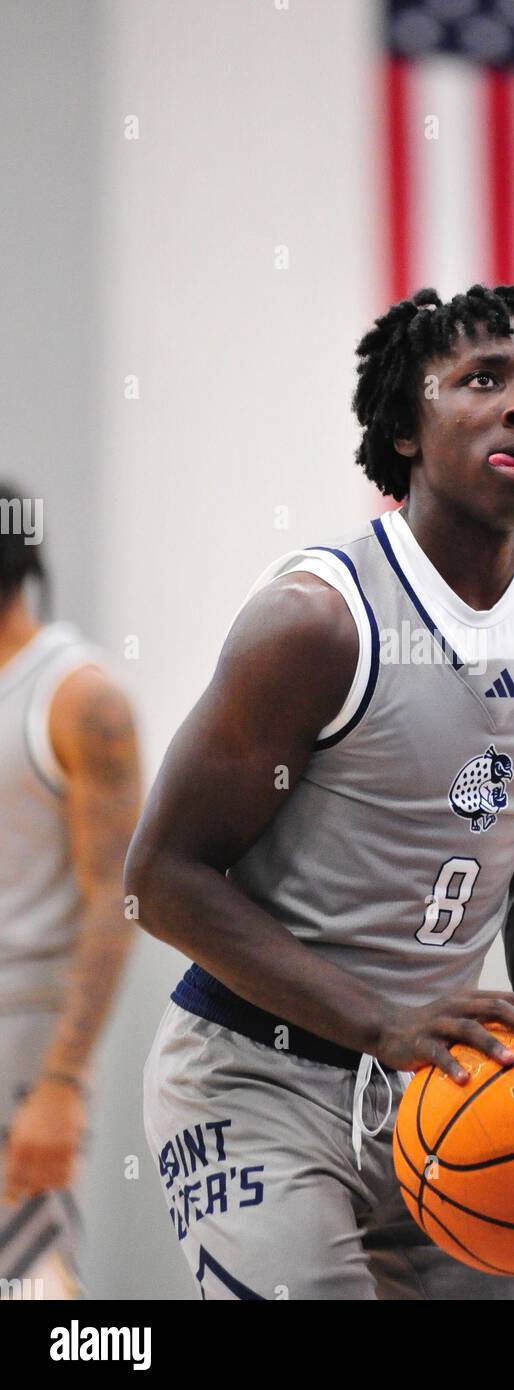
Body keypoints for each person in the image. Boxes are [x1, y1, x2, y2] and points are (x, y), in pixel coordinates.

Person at [127, 283, 514, 1301]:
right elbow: (159, 879)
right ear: (405, 427)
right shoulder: (314, 623)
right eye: (482, 380)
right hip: (254, 1074)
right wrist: (379, 1024)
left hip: (448, 1084)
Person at [0, 482, 142, 1297]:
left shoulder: (80, 699)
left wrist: (61, 1083)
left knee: (36, 1289)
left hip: (25, 1041)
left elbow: (114, 900)